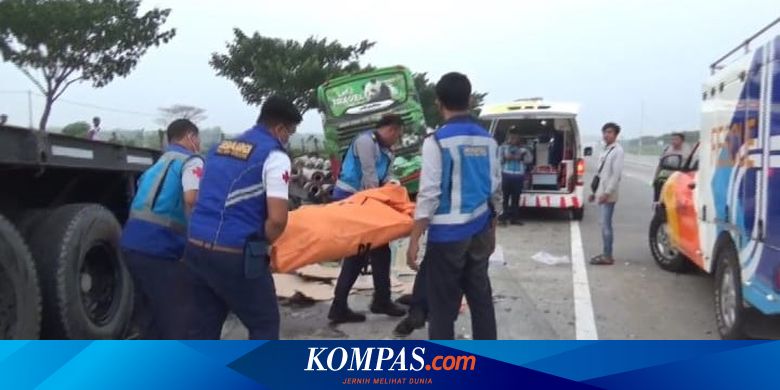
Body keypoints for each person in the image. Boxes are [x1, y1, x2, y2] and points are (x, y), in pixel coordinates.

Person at [185, 96, 301, 340]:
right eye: (289, 132)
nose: (288, 138)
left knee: (204, 329)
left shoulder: (220, 148)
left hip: (195, 248)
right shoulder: (274, 156)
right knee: (264, 324)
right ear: (279, 129)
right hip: (235, 255)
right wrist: (262, 244)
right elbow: (278, 219)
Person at [406, 72, 502, 340]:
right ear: (469, 100)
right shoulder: (488, 140)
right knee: (481, 298)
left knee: (443, 307)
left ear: (438, 103)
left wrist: (414, 239)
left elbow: (429, 194)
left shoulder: (436, 140)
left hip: (447, 237)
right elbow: (496, 190)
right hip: (480, 230)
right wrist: (493, 230)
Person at [120, 119, 203, 339]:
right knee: (179, 317)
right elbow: (192, 199)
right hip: (161, 248)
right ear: (190, 137)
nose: (200, 144)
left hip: (131, 245)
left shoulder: (156, 165)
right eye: (199, 139)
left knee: (149, 318)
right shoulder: (191, 161)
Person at [328, 114, 407, 323]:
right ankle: (340, 306)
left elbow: (385, 176)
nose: (397, 140)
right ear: (391, 129)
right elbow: (369, 176)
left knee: (380, 251)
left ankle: (381, 299)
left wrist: (393, 185)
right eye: (397, 135)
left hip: (367, 201)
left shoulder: (387, 150)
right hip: (351, 199)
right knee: (359, 253)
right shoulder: (366, 142)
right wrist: (380, 203)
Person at [588, 122, 625, 265]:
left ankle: (607, 256)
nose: (606, 135)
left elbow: (615, 175)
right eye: (605, 132)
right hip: (602, 191)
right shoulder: (605, 150)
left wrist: (607, 193)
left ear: (616, 135)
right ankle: (606, 253)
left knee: (606, 225)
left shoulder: (618, 151)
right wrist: (594, 192)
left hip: (608, 194)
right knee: (603, 224)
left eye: (610, 132)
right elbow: (601, 174)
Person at [498, 128, 530, 225]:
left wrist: (522, 155)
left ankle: (514, 218)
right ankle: (503, 218)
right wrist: (506, 157)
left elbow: (529, 161)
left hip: (518, 176)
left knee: (516, 198)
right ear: (508, 138)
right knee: (504, 198)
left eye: (516, 138)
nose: (514, 139)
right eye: (512, 137)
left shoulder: (525, 149)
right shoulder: (502, 148)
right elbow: (498, 161)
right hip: (506, 175)